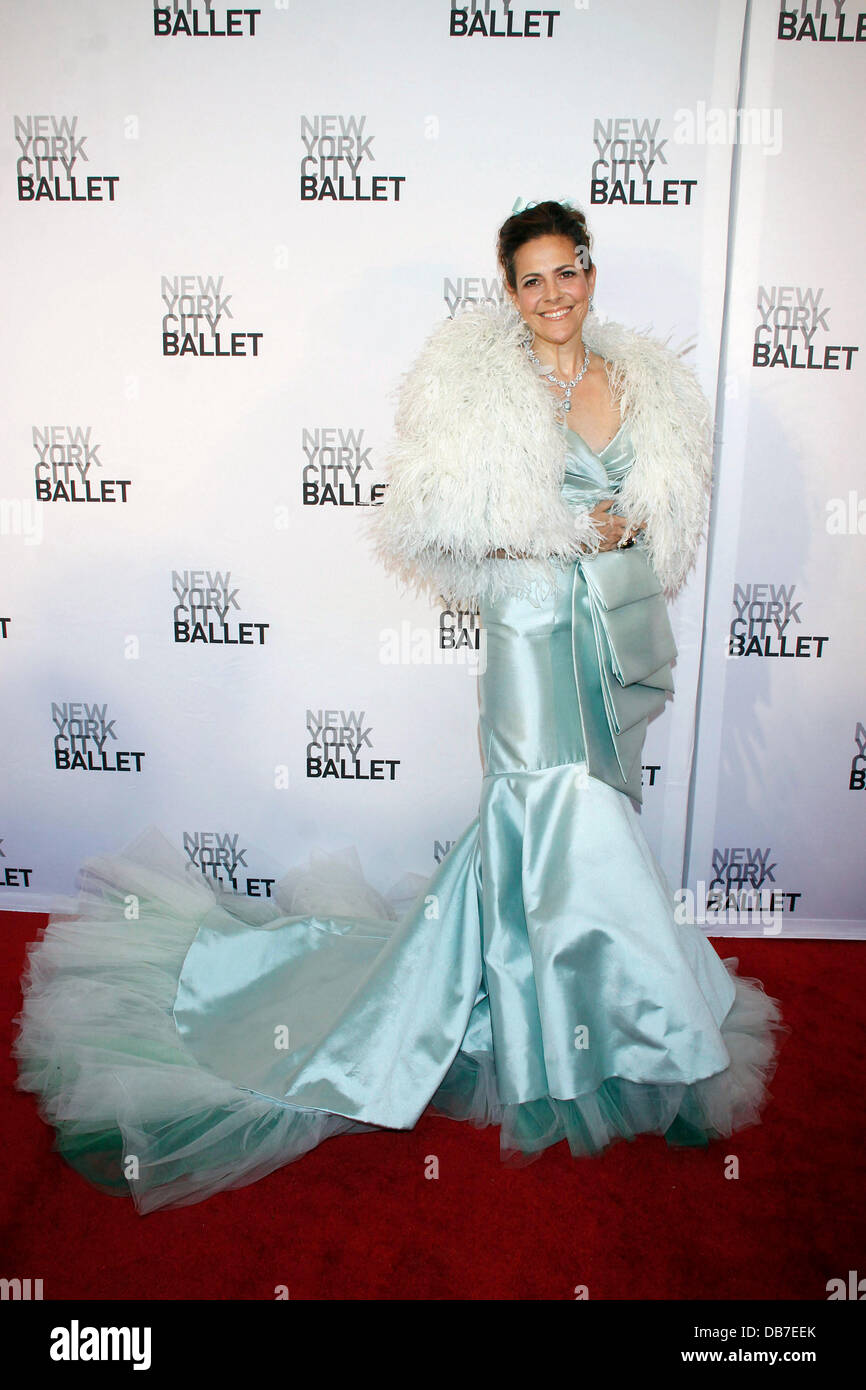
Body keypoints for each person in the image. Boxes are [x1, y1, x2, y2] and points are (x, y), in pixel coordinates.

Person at [13, 200, 785, 1215]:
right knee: (546, 801)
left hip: (609, 623)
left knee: (586, 802)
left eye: (567, 271)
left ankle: (563, 996)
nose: (553, 293)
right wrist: (558, 531)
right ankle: (589, 1020)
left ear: (591, 274)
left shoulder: (642, 382)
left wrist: (626, 527)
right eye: (532, 278)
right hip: (527, 622)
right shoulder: (478, 388)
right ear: (510, 292)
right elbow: (432, 525)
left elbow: (656, 509)